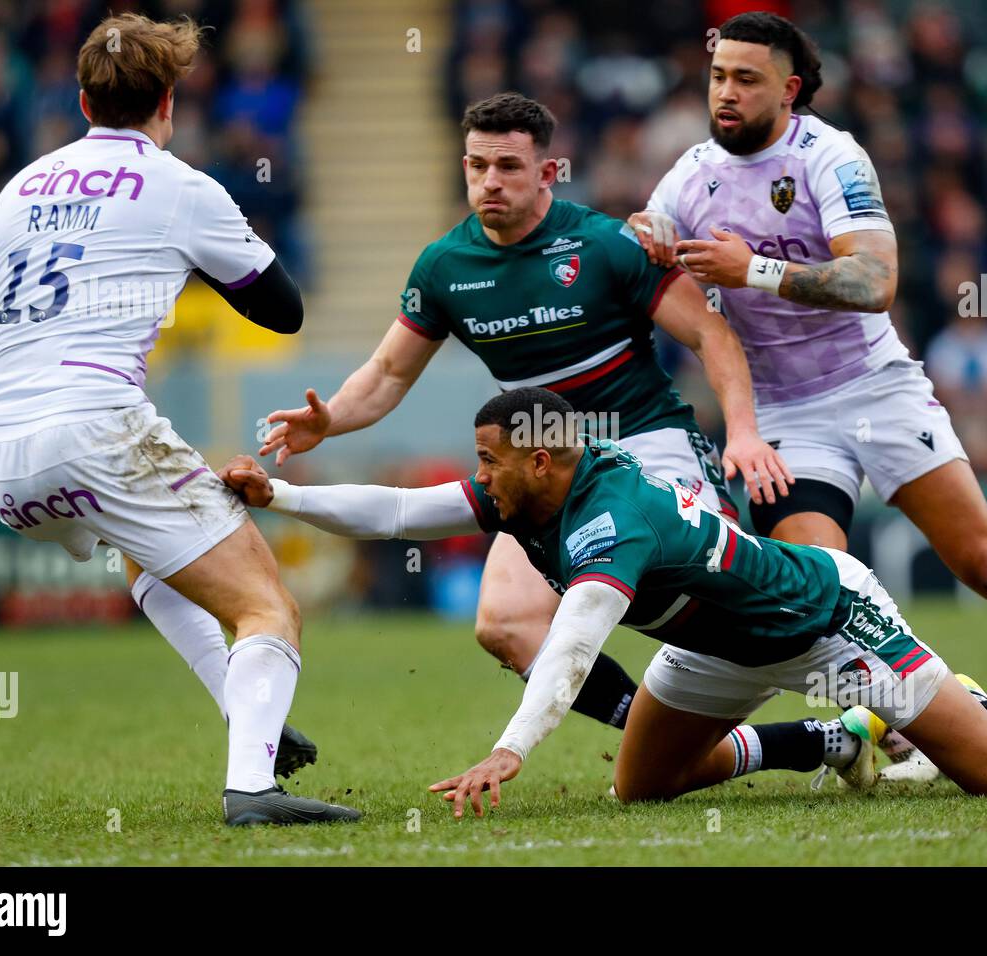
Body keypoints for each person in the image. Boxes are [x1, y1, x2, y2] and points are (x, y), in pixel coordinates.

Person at [628, 12, 987, 775]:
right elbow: (644, 231)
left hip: (877, 390)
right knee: (820, 603)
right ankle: (952, 713)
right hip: (787, 415)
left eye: (746, 80)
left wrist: (752, 269)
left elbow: (874, 282)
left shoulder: (831, 157)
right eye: (719, 76)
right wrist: (644, 235)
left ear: (788, 91)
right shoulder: (691, 174)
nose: (726, 92)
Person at [220, 387, 987, 819]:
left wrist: (510, 750)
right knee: (643, 789)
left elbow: (574, 644)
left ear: (542, 462)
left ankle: (968, 699)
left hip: (823, 624)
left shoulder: (612, 520)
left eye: (489, 460)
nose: (479, 474)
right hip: (715, 650)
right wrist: (279, 496)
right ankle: (838, 736)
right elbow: (398, 513)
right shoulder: (531, 491)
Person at [258, 91, 789, 733]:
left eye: (508, 166)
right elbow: (389, 372)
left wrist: (744, 432)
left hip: (646, 444)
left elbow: (711, 334)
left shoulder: (606, 245)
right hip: (545, 466)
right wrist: (330, 418)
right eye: (478, 166)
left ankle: (892, 705)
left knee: (728, 610)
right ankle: (674, 738)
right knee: (505, 623)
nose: (490, 182)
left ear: (546, 172)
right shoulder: (446, 266)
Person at [0, 13, 355, 825]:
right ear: (171, 100)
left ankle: (248, 713)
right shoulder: (181, 186)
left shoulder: (9, 197)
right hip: (96, 426)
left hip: (1, 455)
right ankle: (252, 788)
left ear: (81, 100)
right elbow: (282, 310)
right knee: (266, 608)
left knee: (146, 551)